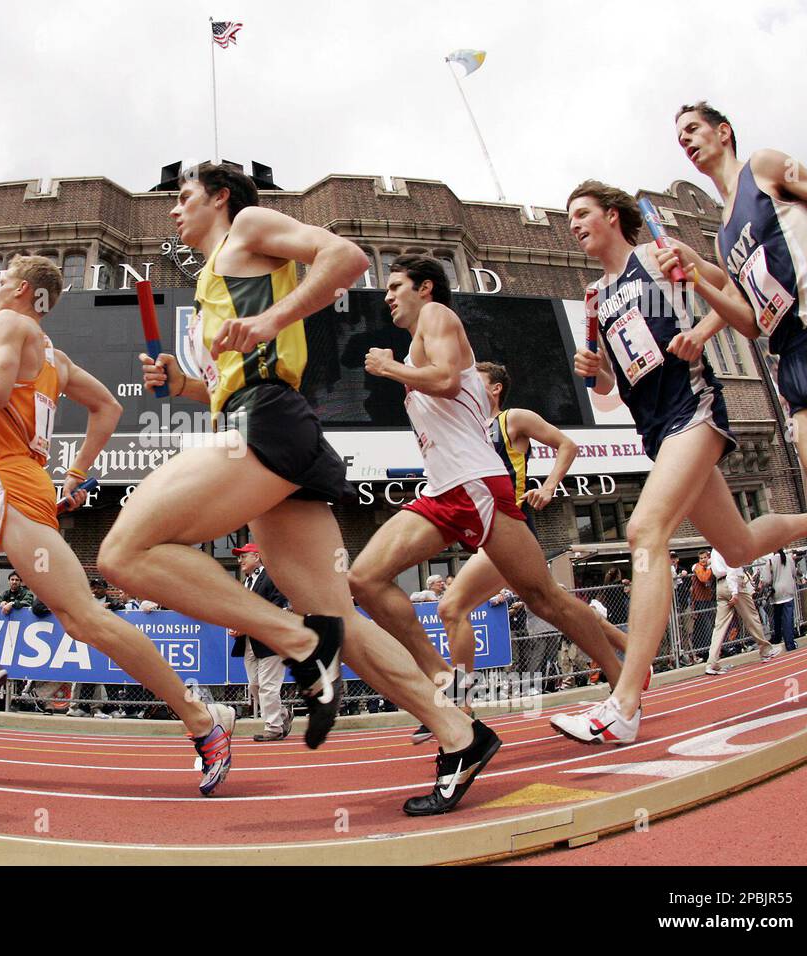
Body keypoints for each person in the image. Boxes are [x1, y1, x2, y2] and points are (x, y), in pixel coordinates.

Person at [98, 168, 493, 815]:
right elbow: (232, 374)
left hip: (269, 421)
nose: (174, 210)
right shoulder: (208, 281)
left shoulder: (248, 230)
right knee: (340, 619)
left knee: (122, 554)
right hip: (264, 427)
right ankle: (460, 732)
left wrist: (272, 318)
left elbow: (346, 258)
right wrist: (182, 384)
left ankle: (302, 643)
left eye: (184, 196)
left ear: (221, 197)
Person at [0, 255, 237, 796]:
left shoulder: (10, 324)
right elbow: (108, 409)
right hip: (3, 487)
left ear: (25, 290)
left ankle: (202, 719)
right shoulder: (54, 354)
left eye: (0, 280)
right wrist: (71, 477)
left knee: (85, 619)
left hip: (13, 486)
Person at [553, 180, 807, 745]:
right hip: (655, 428)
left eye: (581, 213)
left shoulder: (653, 258)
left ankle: (625, 702)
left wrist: (700, 329)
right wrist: (596, 368)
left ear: (611, 215)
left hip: (693, 409)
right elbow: (612, 384)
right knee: (739, 547)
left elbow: (735, 296)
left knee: (643, 531)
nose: (573, 224)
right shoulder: (596, 297)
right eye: (568, 217)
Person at [351, 256, 620, 755]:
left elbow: (449, 380)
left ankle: (623, 680)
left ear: (424, 287)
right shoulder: (417, 343)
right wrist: (402, 366)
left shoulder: (437, 317)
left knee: (544, 599)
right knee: (364, 578)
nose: (386, 296)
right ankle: (443, 678)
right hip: (442, 490)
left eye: (394, 286)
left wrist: (389, 369)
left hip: (476, 484)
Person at [676, 101, 807, 546]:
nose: (687, 141)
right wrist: (697, 281)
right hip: (791, 363)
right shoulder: (723, 236)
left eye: (693, 129)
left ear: (724, 132)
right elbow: (750, 324)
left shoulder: (765, 168)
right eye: (680, 139)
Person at [433, 360, 630, 707]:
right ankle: (629, 652)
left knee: (452, 608)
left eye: (474, 381)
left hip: (513, 529)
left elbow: (567, 445)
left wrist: (550, 487)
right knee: (555, 604)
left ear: (495, 388)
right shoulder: (468, 428)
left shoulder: (513, 419)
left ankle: (459, 708)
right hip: (488, 534)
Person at [227, 542, 294, 741]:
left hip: (270, 641)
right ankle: (282, 715)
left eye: (243, 556)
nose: (240, 560)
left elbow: (277, 610)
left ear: (256, 556)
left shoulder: (272, 577)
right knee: (255, 686)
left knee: (267, 686)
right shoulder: (246, 583)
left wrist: (246, 626)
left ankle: (274, 728)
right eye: (239, 557)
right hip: (250, 642)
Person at [704, 548, 777, 674]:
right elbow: (732, 567)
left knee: (719, 626)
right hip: (733, 583)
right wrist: (734, 592)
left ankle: (711, 663)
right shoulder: (726, 546)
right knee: (751, 617)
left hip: (720, 586)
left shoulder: (715, 550)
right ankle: (765, 650)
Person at [761, 549, 800, 651]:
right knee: (788, 618)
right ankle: (790, 643)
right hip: (788, 591)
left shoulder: (770, 561)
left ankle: (778, 638)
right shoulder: (788, 558)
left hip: (776, 592)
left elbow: (766, 580)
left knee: (777, 618)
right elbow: (793, 572)